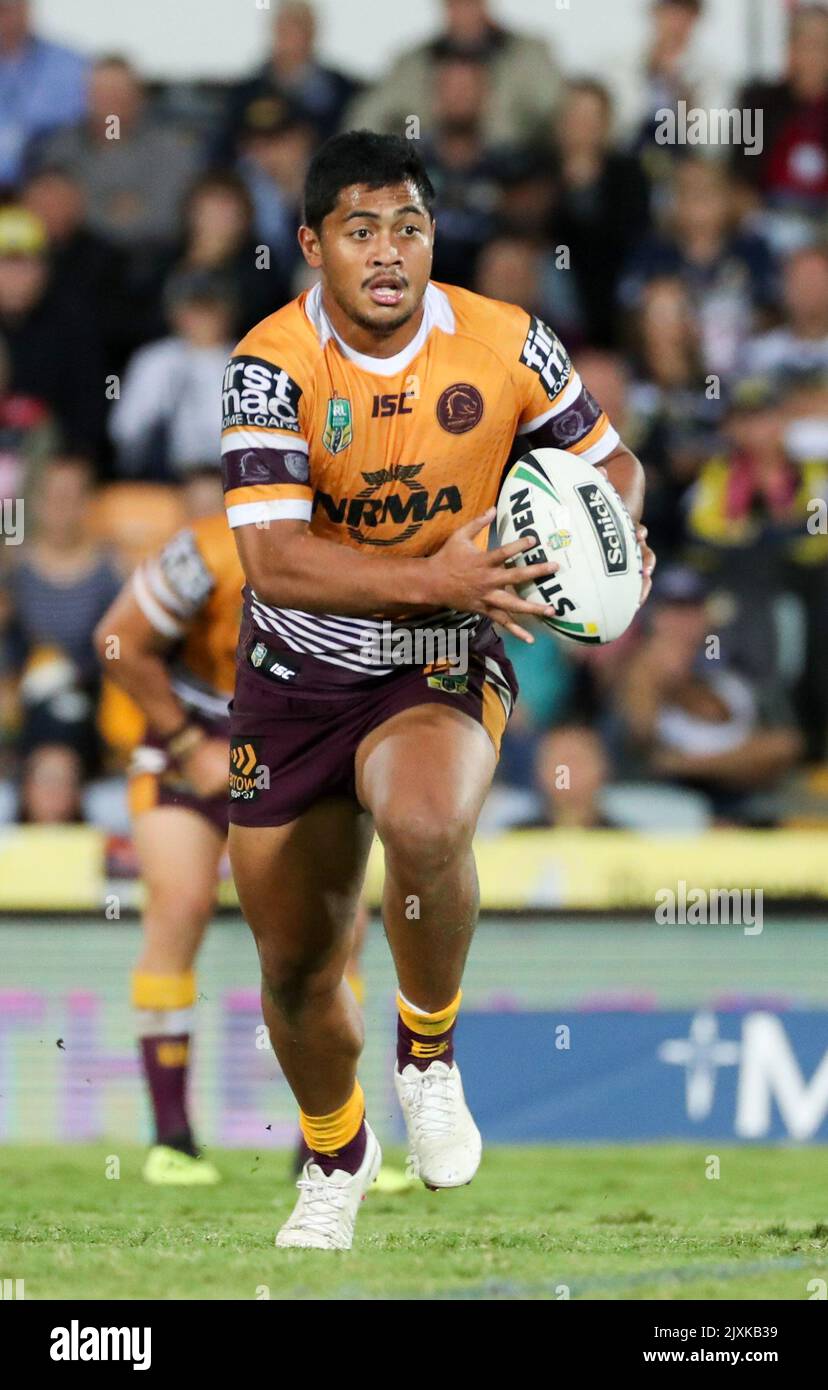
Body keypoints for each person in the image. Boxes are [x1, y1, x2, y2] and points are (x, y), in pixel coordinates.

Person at [221, 129, 654, 1250]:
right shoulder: (269, 365)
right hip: (296, 672)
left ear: (431, 240)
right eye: (360, 229)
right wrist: (437, 570)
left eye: (408, 226)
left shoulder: (509, 341)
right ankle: (336, 1152)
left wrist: (620, 537)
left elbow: (611, 462)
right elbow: (273, 562)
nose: (388, 251)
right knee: (294, 967)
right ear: (313, 243)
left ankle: (428, 1052)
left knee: (425, 818)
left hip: (443, 651)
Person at [94, 496, 381, 1186]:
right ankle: (173, 1139)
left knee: (342, 929)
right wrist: (190, 742)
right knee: (181, 902)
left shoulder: (363, 550)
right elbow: (118, 640)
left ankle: (326, 1145)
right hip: (189, 740)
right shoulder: (203, 550)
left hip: (289, 742)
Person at [346, 0, 562, 148]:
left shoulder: (529, 56)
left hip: (513, 182)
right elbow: (367, 119)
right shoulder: (412, 65)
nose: (462, 12)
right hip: (428, 174)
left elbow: (559, 116)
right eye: (454, 3)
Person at [109, 270, 236, 481]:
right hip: (165, 481)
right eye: (194, 309)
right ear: (175, 313)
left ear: (228, 311)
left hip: (229, 480)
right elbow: (124, 430)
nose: (202, 318)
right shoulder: (154, 360)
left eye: (209, 308)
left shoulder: (248, 359)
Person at [216, 1, 360, 159]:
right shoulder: (246, 94)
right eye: (285, 30)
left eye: (299, 29)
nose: (292, 39)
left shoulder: (342, 91)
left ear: (312, 33)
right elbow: (223, 152)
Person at [0, 0, 89, 186]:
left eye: (9, 9)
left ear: (26, 9)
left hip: (50, 182)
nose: (5, 18)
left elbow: (105, 122)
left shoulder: (69, 64)